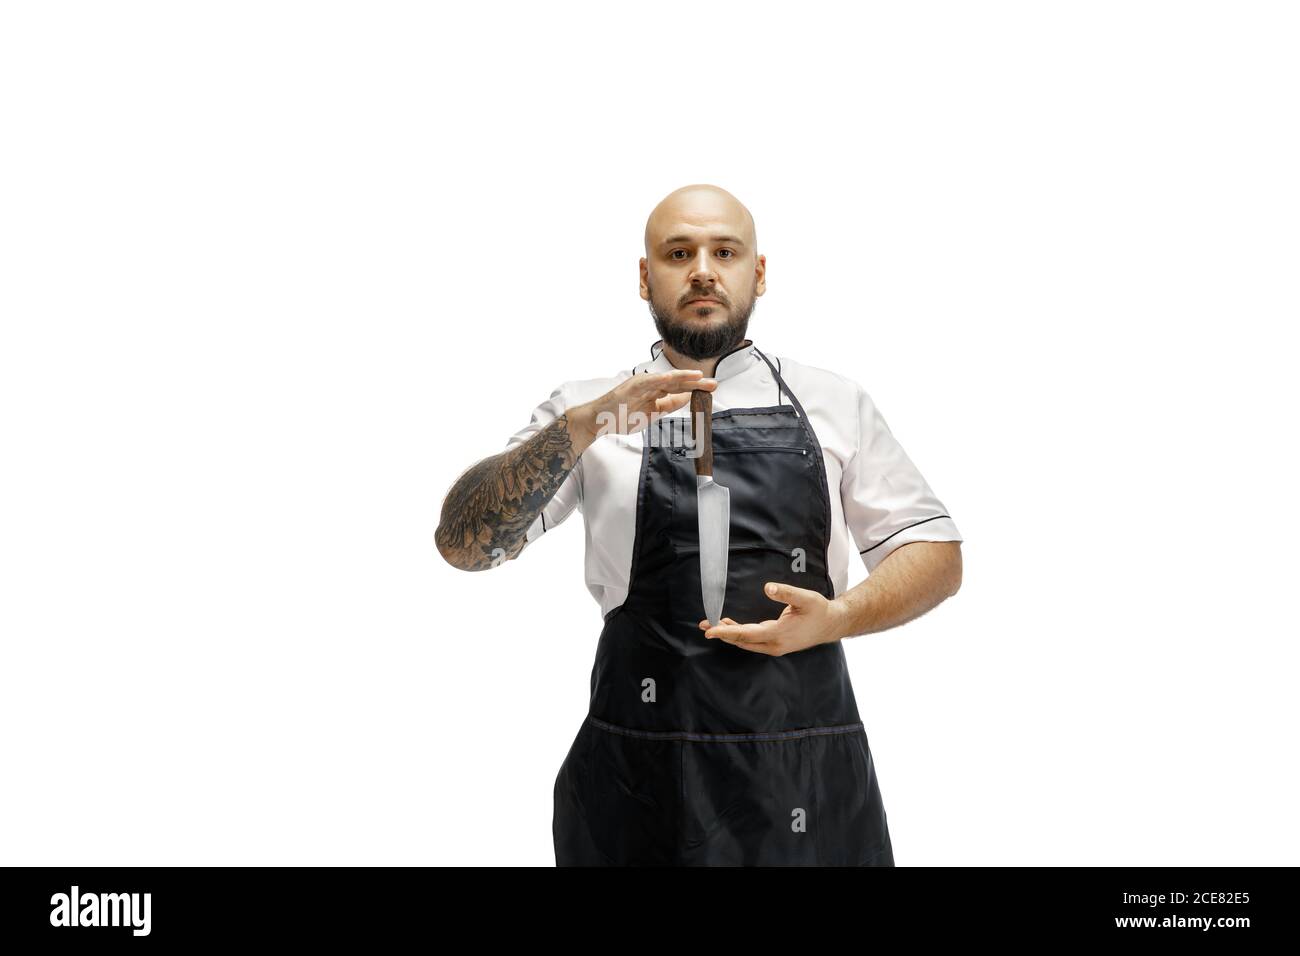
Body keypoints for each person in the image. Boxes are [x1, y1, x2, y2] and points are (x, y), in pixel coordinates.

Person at [435, 184, 964, 866]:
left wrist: (839, 616)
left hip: (807, 782)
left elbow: (937, 554)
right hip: (637, 786)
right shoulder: (583, 413)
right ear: (645, 276)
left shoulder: (836, 402)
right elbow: (463, 544)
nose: (703, 269)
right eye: (679, 252)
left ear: (759, 272)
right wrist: (585, 426)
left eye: (725, 251)